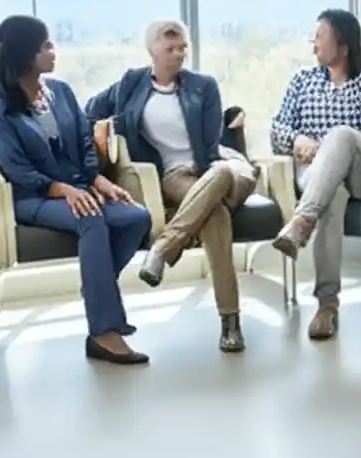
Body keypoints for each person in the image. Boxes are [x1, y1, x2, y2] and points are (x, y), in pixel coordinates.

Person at [0, 15, 152, 365]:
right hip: (33, 197)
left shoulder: (60, 91)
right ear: (25, 53)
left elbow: (84, 140)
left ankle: (97, 288)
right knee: (91, 218)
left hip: (78, 187)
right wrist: (63, 190)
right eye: (45, 45)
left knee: (138, 216)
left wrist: (98, 181)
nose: (52, 51)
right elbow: (16, 168)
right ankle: (104, 333)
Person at [84, 19, 256, 353]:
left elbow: (209, 149)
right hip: (176, 176)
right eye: (171, 49)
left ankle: (162, 249)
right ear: (153, 51)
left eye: (183, 48)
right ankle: (231, 324)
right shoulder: (131, 84)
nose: (179, 55)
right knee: (215, 216)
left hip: (222, 166)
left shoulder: (203, 86)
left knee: (220, 175)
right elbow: (89, 111)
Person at [268, 9, 361, 340]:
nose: (313, 45)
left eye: (320, 38)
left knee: (340, 135)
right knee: (332, 195)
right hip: (318, 175)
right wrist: (298, 140)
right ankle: (327, 305)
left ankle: (301, 221)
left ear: (343, 45)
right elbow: (277, 129)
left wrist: (334, 144)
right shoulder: (302, 81)